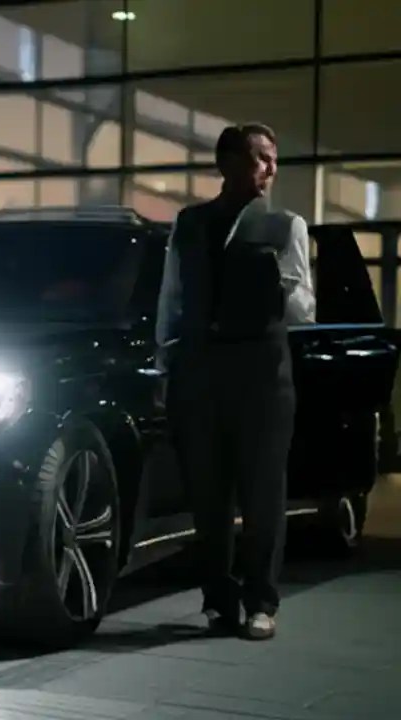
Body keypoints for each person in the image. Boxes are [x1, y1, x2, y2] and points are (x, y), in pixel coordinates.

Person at [154, 123, 316, 640]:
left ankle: (261, 603)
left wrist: (282, 285)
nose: (270, 168)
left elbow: (305, 312)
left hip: (264, 376)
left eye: (274, 159)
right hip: (200, 371)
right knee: (209, 494)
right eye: (260, 157)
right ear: (226, 163)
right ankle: (219, 600)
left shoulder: (287, 225)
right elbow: (171, 301)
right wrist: (165, 366)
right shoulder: (189, 223)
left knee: (264, 494)